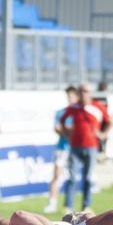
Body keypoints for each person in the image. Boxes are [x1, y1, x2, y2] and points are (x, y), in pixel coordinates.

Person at [59, 83, 110, 213]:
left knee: (88, 177)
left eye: (86, 91)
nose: (84, 94)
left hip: (91, 146)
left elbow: (108, 121)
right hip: (75, 146)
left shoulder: (97, 107)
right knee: (71, 177)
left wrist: (103, 134)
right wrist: (66, 134)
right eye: (81, 91)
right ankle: (69, 206)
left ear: (90, 92)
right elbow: (63, 120)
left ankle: (86, 205)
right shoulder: (74, 108)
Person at [45, 86, 78, 214]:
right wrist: (69, 132)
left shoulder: (78, 114)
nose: (70, 99)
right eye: (68, 96)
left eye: (72, 96)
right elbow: (57, 128)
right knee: (56, 175)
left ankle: (69, 204)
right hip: (62, 148)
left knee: (72, 177)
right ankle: (52, 202)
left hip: (74, 149)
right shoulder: (61, 112)